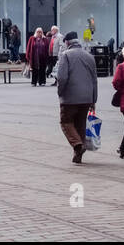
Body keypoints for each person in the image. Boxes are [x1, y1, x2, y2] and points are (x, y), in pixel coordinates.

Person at [55, 34, 98, 164]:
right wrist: (93, 99)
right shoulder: (90, 56)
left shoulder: (66, 55)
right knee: (80, 124)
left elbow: (62, 78)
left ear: (67, 43)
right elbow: (94, 80)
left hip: (70, 97)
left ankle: (78, 145)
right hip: (86, 97)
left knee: (66, 122)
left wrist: (60, 92)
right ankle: (78, 154)